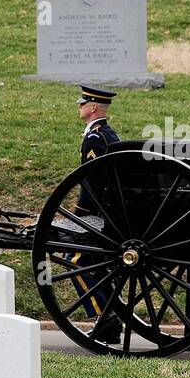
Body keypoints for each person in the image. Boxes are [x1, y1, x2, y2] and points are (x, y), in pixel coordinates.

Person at [72, 85, 123, 344]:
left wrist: (77, 214)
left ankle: (104, 318)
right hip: (113, 213)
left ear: (93, 108)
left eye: (82, 103)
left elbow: (91, 180)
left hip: (100, 215)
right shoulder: (109, 135)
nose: (78, 106)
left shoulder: (95, 138)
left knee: (77, 261)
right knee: (95, 263)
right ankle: (110, 316)